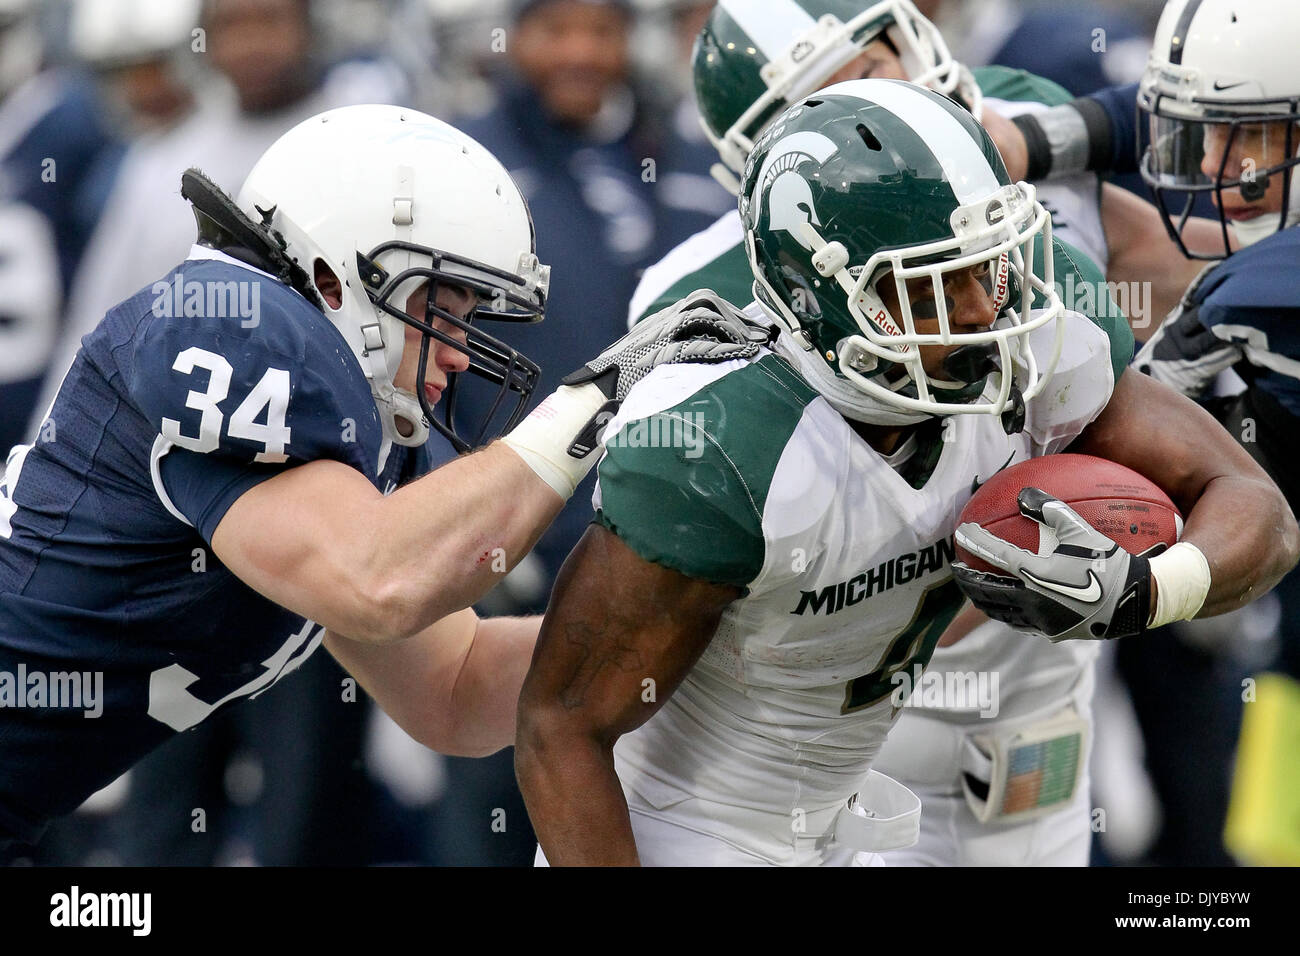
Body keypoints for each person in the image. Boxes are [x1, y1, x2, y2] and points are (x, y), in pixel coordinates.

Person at [513, 78, 1298, 866]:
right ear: (818, 299)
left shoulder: (1034, 343)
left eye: (986, 268)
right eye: (930, 288)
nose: (980, 311)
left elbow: (1254, 504)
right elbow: (561, 729)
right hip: (679, 836)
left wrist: (1149, 590)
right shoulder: (728, 448)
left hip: (849, 825)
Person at [0, 103, 762, 850]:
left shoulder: (350, 433)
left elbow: (456, 689)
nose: (458, 350)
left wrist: (691, 629)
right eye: (442, 306)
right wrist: (600, 395)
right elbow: (378, 581)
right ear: (334, 277)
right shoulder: (236, 326)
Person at [621, 0, 1135, 866]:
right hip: (861, 722)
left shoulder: (1014, 125)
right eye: (806, 111)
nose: (858, 115)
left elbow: (1172, 221)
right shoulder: (692, 294)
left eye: (865, 72)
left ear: (909, 36)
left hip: (1049, 693)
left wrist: (1048, 141)